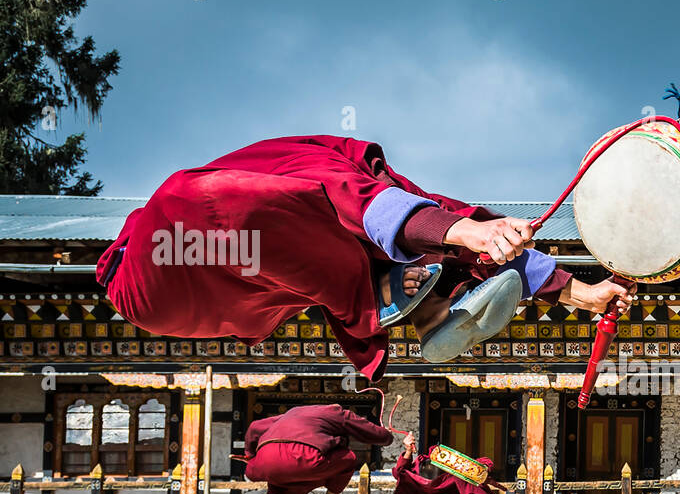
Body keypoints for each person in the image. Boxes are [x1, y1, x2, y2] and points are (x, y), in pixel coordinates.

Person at [95, 135, 633, 381]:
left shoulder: (389, 194)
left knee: (407, 241)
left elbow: (456, 219)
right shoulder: (326, 167)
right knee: (325, 224)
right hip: (157, 256)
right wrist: (466, 233)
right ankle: (417, 305)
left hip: (227, 289)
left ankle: (428, 311)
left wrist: (582, 292)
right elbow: (407, 212)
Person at [242, 403, 393, 494]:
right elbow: (364, 428)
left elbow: (254, 427)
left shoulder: (289, 414)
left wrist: (250, 455)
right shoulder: (334, 412)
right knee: (349, 459)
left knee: (282, 479)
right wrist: (386, 437)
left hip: (264, 463)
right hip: (306, 458)